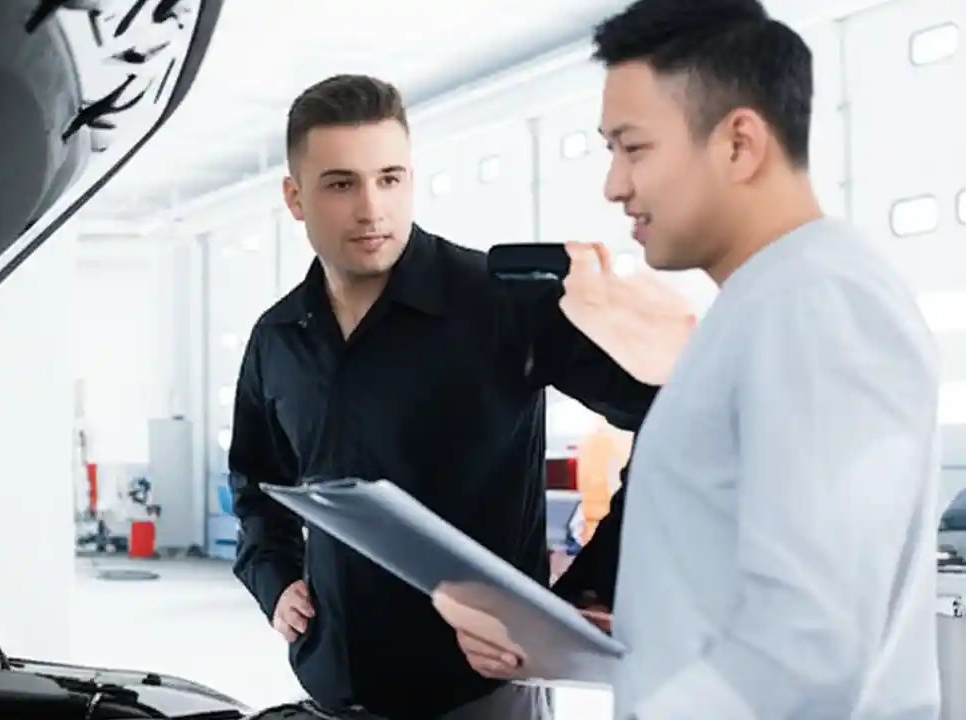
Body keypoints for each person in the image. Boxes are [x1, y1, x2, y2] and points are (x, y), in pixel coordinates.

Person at [436, 1, 943, 718]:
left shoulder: (818, 307)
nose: (614, 185)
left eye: (633, 148)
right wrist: (607, 636)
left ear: (738, 143)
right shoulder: (761, 308)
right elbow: (758, 600)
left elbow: (810, 648)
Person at [226, 73, 659, 719]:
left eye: (390, 178)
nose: (372, 208)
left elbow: (672, 421)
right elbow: (257, 482)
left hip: (479, 695)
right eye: (342, 184)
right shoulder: (277, 337)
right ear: (295, 197)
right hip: (333, 689)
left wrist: (587, 588)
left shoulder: (504, 304)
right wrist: (275, 577)